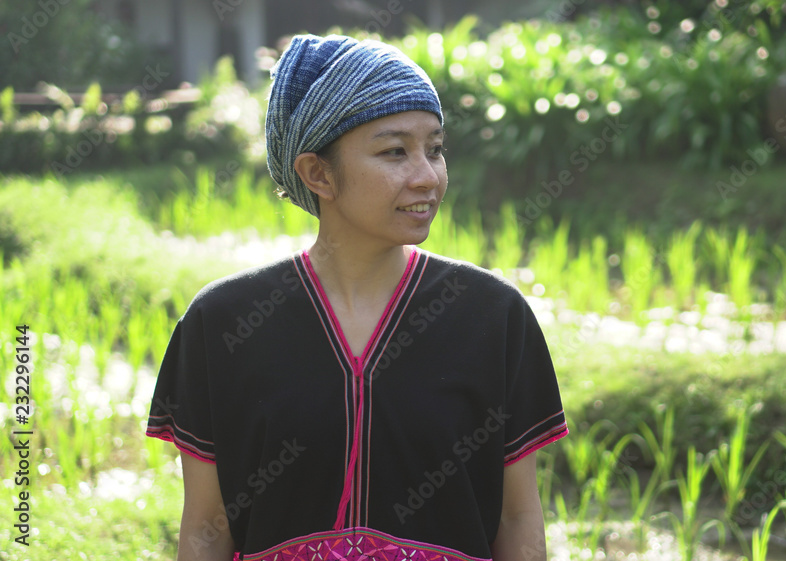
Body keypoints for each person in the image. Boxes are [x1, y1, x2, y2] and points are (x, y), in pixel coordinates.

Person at [145, 33, 568, 561]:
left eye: (434, 150)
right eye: (395, 151)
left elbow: (518, 517)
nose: (427, 177)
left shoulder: (493, 317)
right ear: (317, 173)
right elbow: (207, 526)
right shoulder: (224, 323)